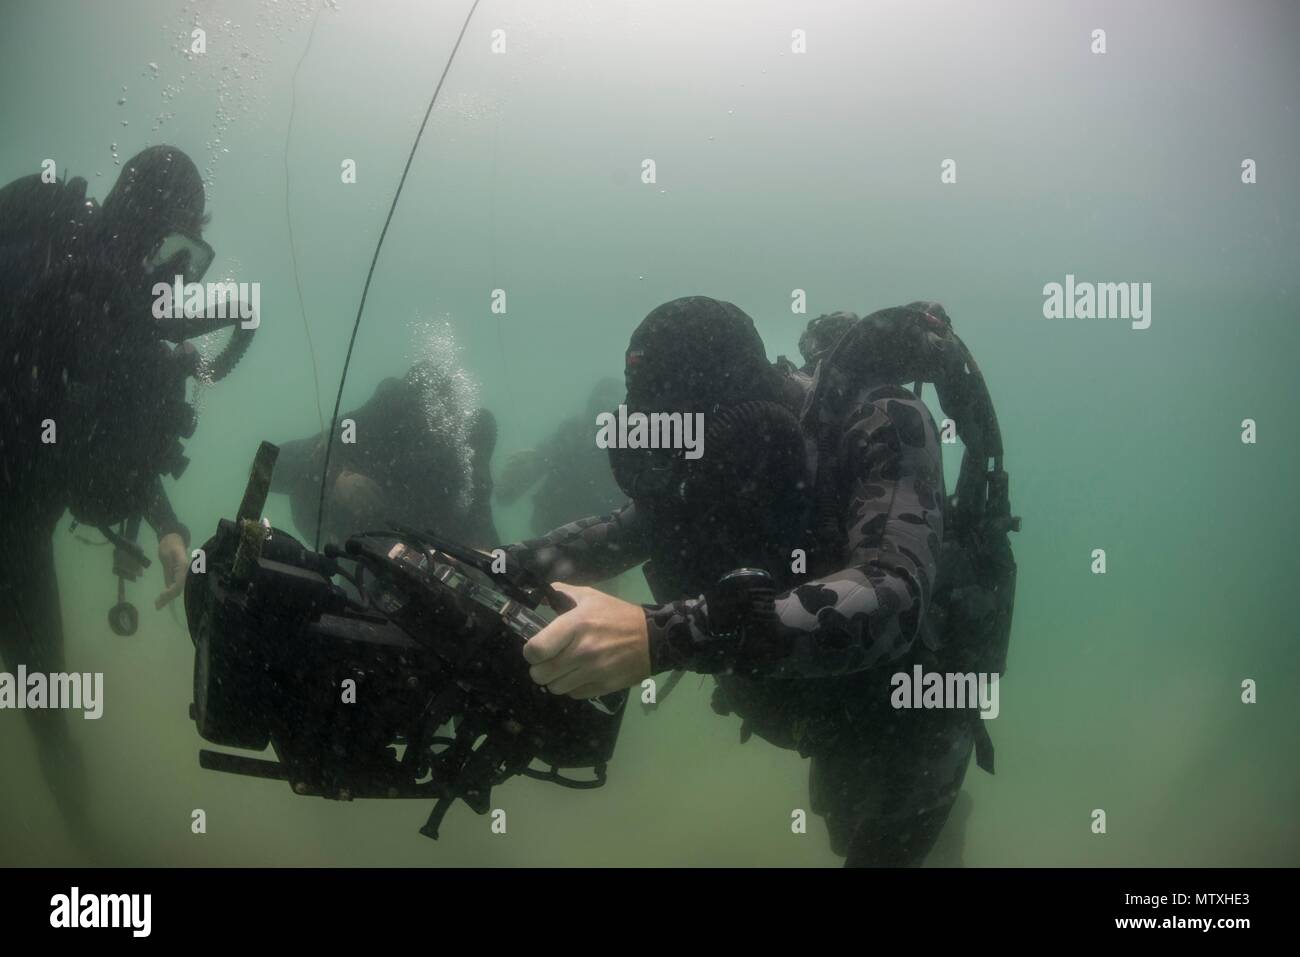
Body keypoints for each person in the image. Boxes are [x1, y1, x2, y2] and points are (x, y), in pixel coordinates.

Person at [503, 295, 1015, 866]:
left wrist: (666, 635)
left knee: (887, 848)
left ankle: (944, 826)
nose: (689, 467)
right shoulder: (713, 446)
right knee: (843, 822)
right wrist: (494, 564)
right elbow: (623, 532)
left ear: (744, 412)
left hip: (912, 711)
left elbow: (893, 593)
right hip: (822, 706)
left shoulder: (880, 420)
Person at [0, 145, 233, 845]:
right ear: (138, 219)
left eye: (193, 256)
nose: (175, 270)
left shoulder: (126, 324)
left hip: (19, 534)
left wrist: (166, 523)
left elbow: (119, 450)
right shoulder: (48, 268)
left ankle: (85, 846)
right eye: (174, 244)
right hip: (18, 521)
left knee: (48, 705)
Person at [270, 359, 500, 550]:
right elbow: (269, 468)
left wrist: (489, 561)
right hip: (353, 541)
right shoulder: (362, 432)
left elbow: (479, 521)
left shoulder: (462, 464)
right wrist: (337, 479)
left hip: (409, 561)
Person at [495, 377, 626, 536]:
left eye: (606, 405)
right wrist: (524, 469)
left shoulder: (630, 443)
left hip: (599, 537)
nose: (600, 410)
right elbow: (506, 495)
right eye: (597, 404)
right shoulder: (570, 433)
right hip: (561, 533)